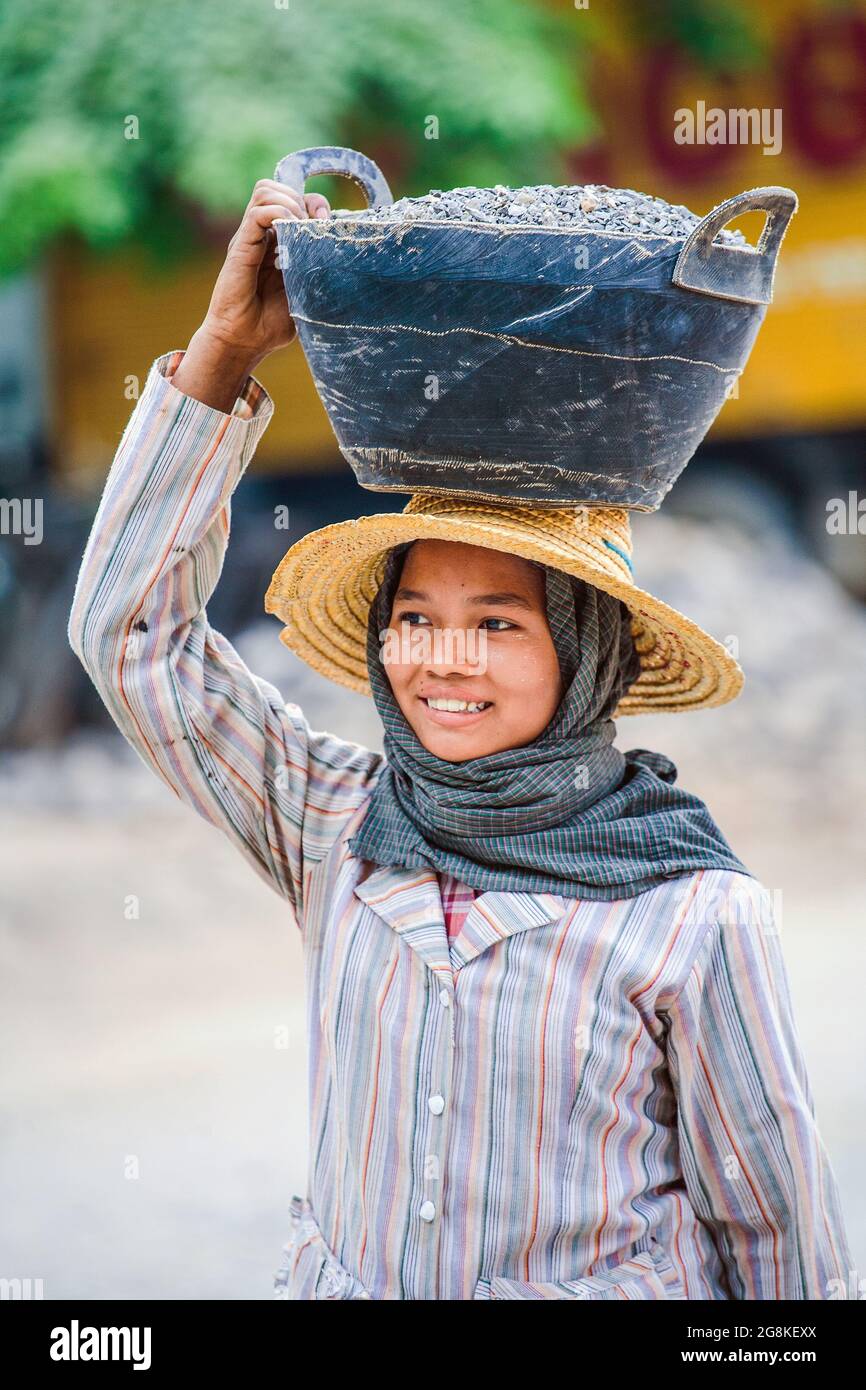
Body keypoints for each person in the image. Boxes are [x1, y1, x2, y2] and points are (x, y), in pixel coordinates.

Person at [68, 178, 853, 1301]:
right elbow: (130, 633)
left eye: (498, 624)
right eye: (415, 619)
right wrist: (220, 355)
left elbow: (775, 1241)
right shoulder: (335, 826)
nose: (444, 660)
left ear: (583, 654)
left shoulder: (690, 913)